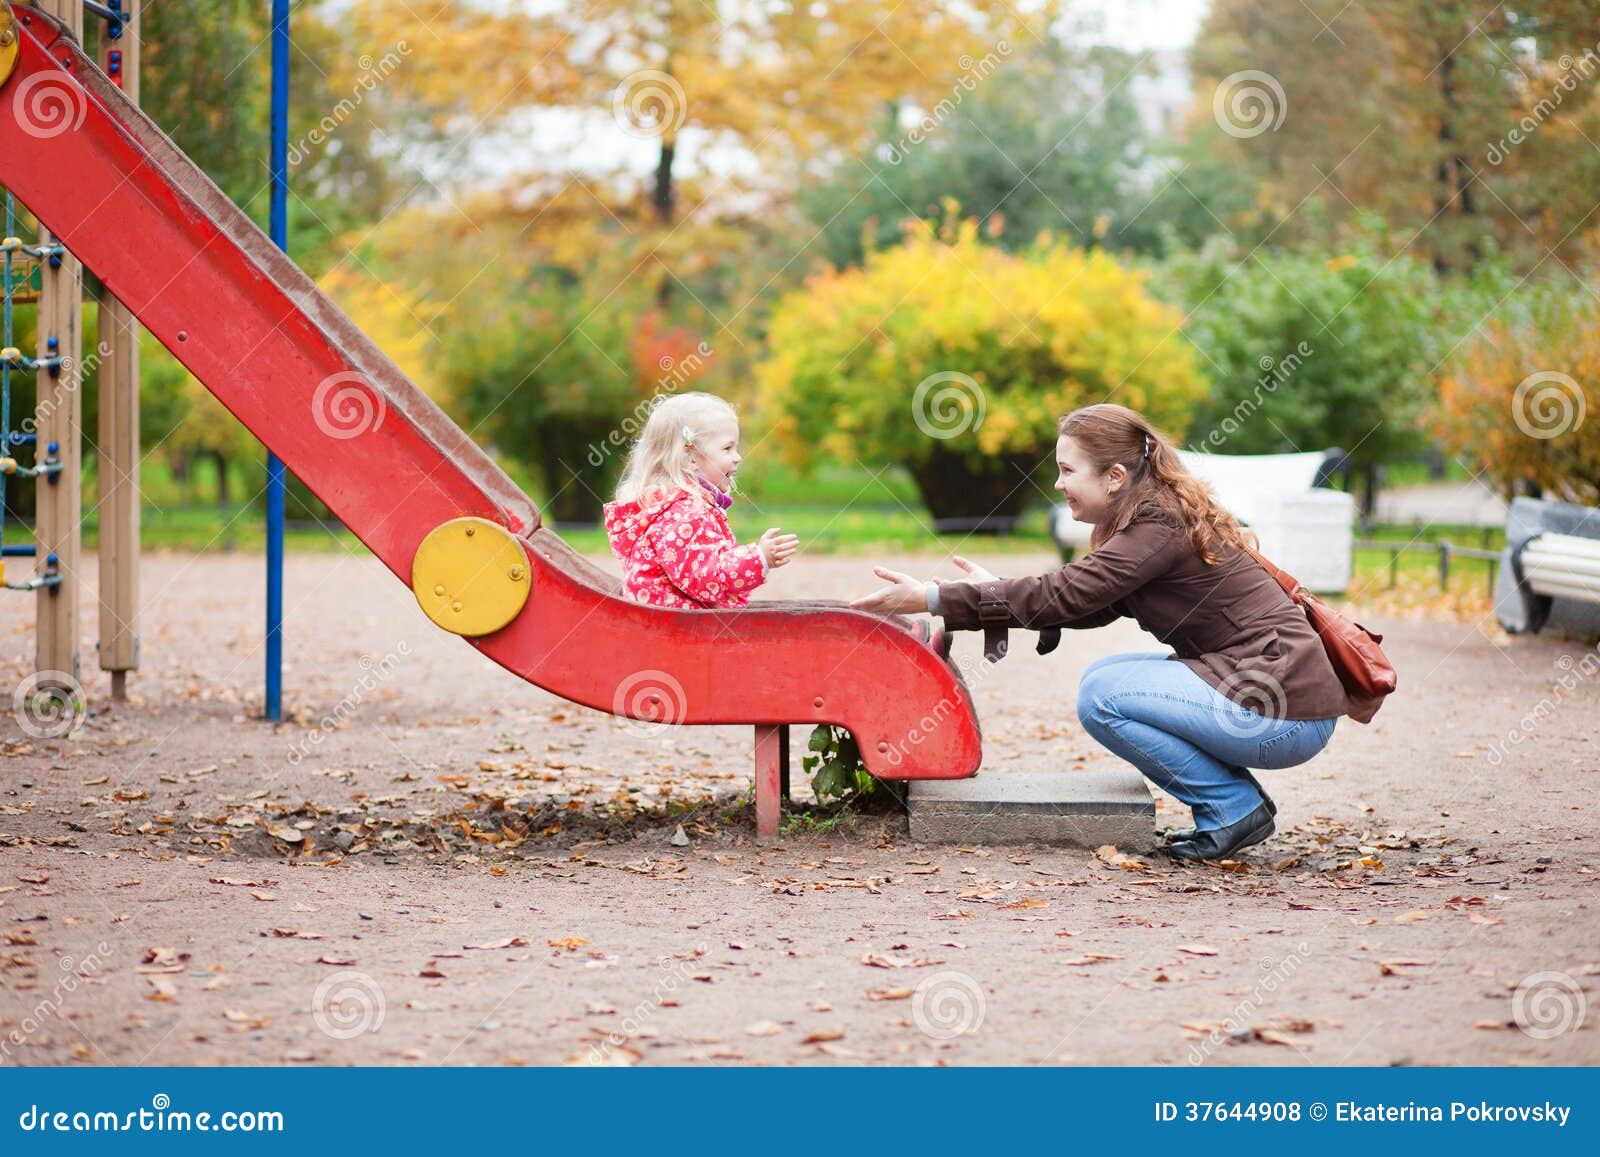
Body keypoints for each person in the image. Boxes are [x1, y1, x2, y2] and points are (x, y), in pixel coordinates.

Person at [852, 403, 1348, 861]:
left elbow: (1066, 592)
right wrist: (993, 595)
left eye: (1068, 470)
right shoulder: (1151, 518)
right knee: (1112, 676)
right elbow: (1087, 600)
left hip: (1283, 715)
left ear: (1114, 477)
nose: (1058, 483)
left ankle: (1232, 809)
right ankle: (1234, 805)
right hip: (1279, 703)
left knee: (1104, 694)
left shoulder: (1158, 525)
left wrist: (933, 599)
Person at [604, 392, 798, 608]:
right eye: (727, 448)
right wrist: (759, 557)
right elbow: (705, 577)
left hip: (671, 624)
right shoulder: (683, 513)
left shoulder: (676, 506)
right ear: (691, 457)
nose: (738, 457)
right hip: (680, 631)